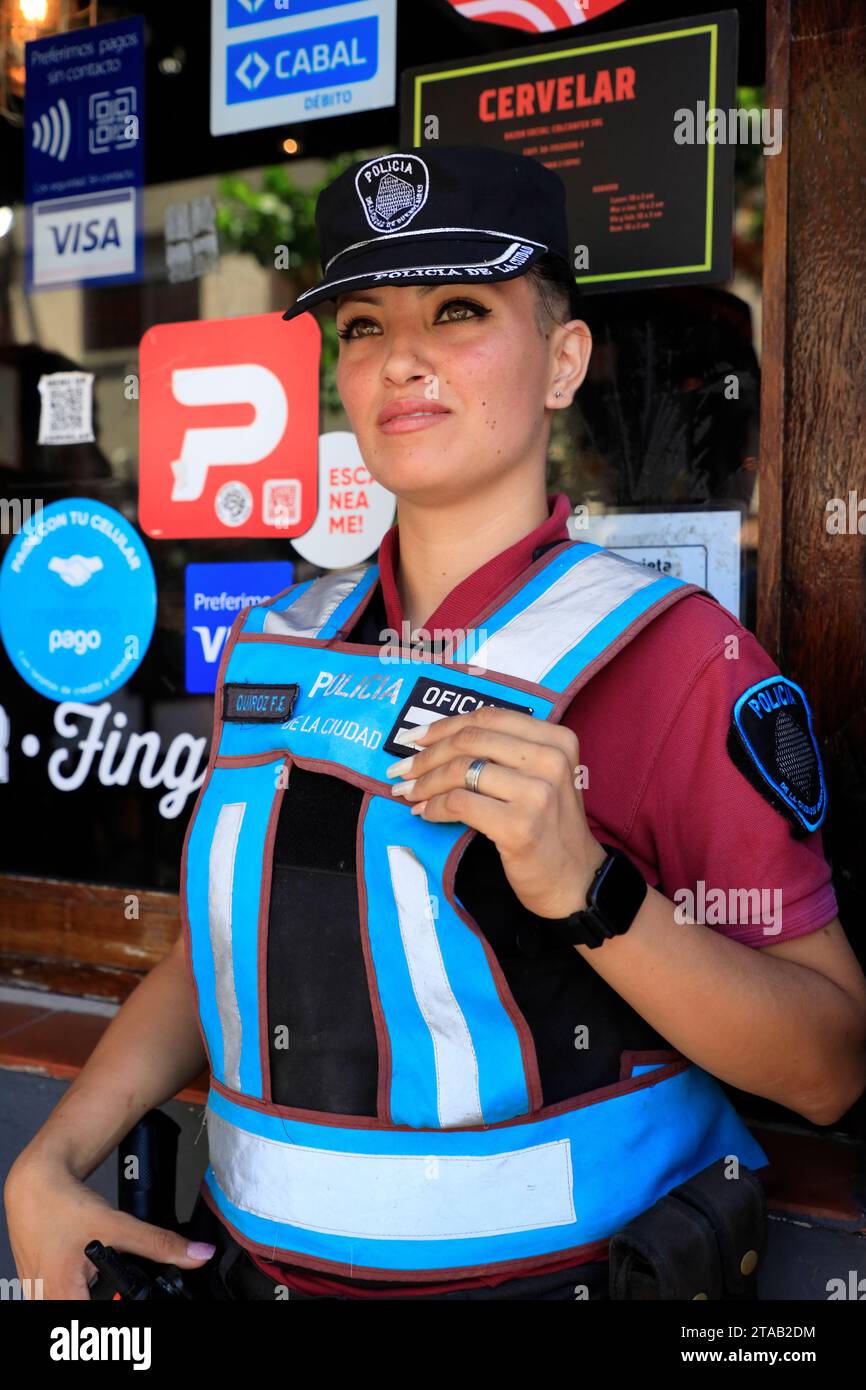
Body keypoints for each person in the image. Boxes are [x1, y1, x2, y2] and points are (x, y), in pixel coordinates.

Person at [6, 146, 866, 1303]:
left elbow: (826, 1067)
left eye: (458, 309)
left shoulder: (674, 658)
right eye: (361, 325)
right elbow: (219, 957)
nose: (400, 356)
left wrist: (589, 890)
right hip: (243, 1270)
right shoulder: (277, 640)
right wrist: (53, 1154)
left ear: (563, 360)